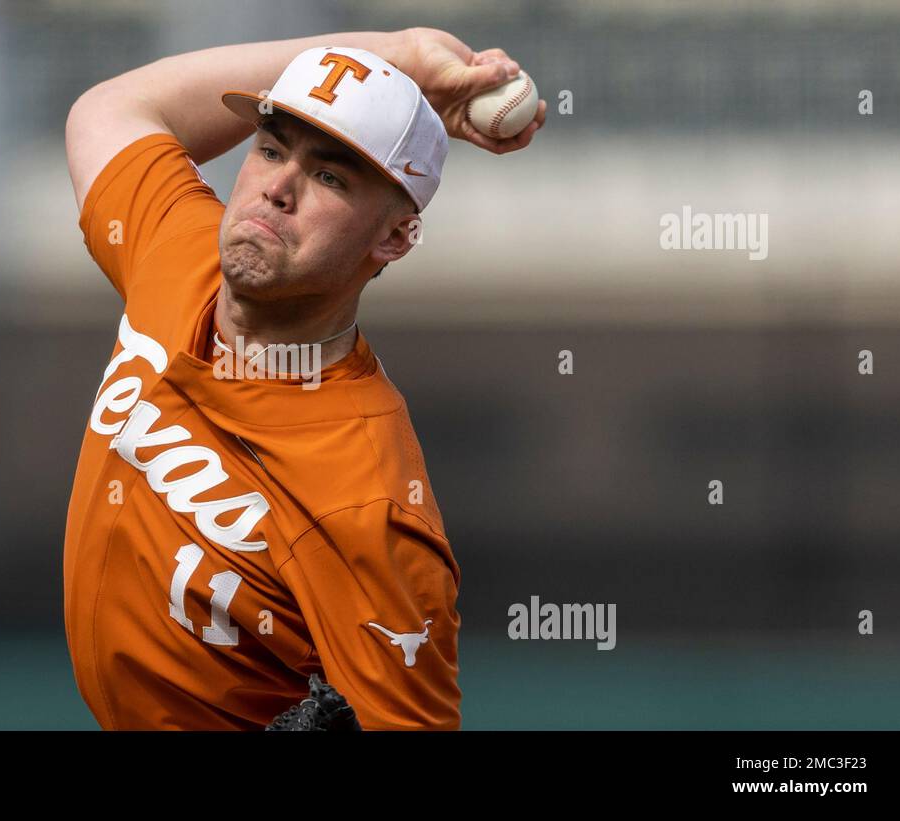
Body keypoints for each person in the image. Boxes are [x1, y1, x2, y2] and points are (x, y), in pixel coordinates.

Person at [63, 27, 544, 730]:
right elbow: (115, 106)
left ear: (395, 237)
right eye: (270, 147)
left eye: (329, 175)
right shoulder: (178, 250)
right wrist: (396, 54)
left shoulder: (370, 506)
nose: (277, 187)